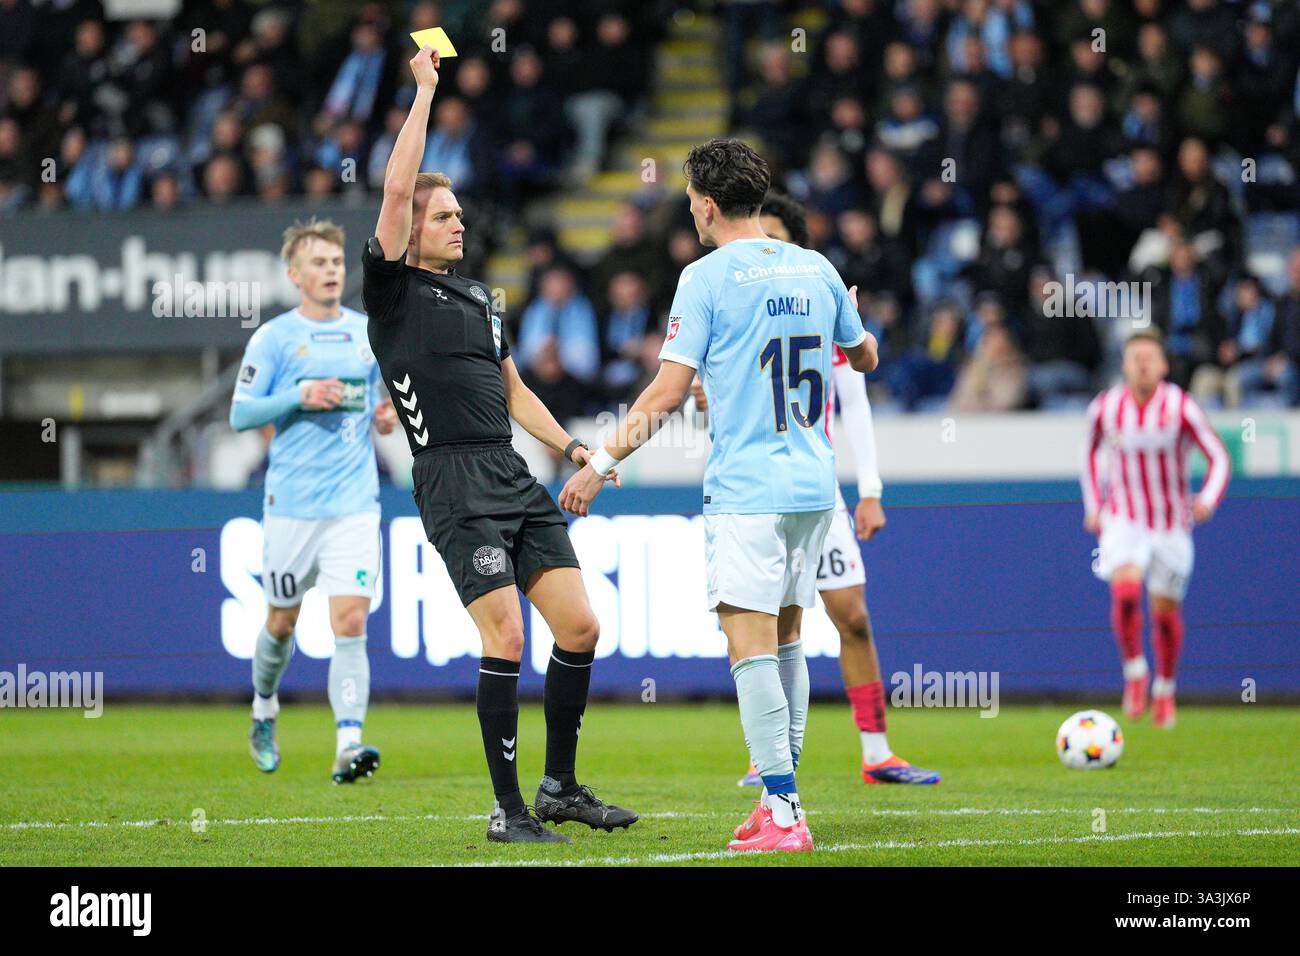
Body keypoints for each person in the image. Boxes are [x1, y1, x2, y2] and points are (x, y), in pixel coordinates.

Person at [560, 139, 878, 852]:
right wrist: (853, 329)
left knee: (749, 647)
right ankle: (782, 797)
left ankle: (785, 810)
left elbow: (667, 392)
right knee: (789, 637)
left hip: (748, 490)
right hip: (813, 488)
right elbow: (864, 356)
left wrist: (599, 460)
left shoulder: (704, 278)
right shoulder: (818, 267)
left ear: (706, 204)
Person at [361, 46, 637, 845]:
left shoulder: (483, 298)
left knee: (580, 627)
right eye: (444, 215)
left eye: (458, 215)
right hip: (450, 480)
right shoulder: (392, 291)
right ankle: (508, 810)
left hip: (511, 473)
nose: (460, 224)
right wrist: (423, 93)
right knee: (507, 637)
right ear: (412, 227)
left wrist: (573, 449)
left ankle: (559, 787)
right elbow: (393, 185)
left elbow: (515, 391)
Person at [728, 193, 940, 790]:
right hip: (757, 493)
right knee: (769, 623)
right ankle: (768, 758)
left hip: (819, 490)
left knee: (853, 617)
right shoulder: (735, 303)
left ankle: (876, 751)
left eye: (769, 236)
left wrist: (870, 487)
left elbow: (855, 397)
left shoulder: (819, 300)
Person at [230, 218, 398, 784]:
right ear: (294, 274)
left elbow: (383, 402)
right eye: (318, 264)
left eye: (335, 262)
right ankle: (264, 707)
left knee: (350, 619)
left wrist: (385, 414)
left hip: (355, 500)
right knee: (281, 623)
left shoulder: (365, 332)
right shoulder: (274, 339)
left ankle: (348, 744)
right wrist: (297, 396)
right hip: (292, 504)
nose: (330, 272)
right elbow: (240, 414)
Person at [1082, 329, 1231, 729]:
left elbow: (1219, 457)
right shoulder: (1106, 407)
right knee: (1127, 592)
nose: (1143, 364)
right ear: (1125, 365)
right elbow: (1089, 454)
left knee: (1164, 614)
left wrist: (1207, 500)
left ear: (1164, 365)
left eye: (1150, 357)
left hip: (1170, 524)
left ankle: (1164, 689)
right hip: (1124, 518)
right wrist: (1094, 506)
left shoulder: (1182, 407)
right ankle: (1135, 674)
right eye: (1135, 357)